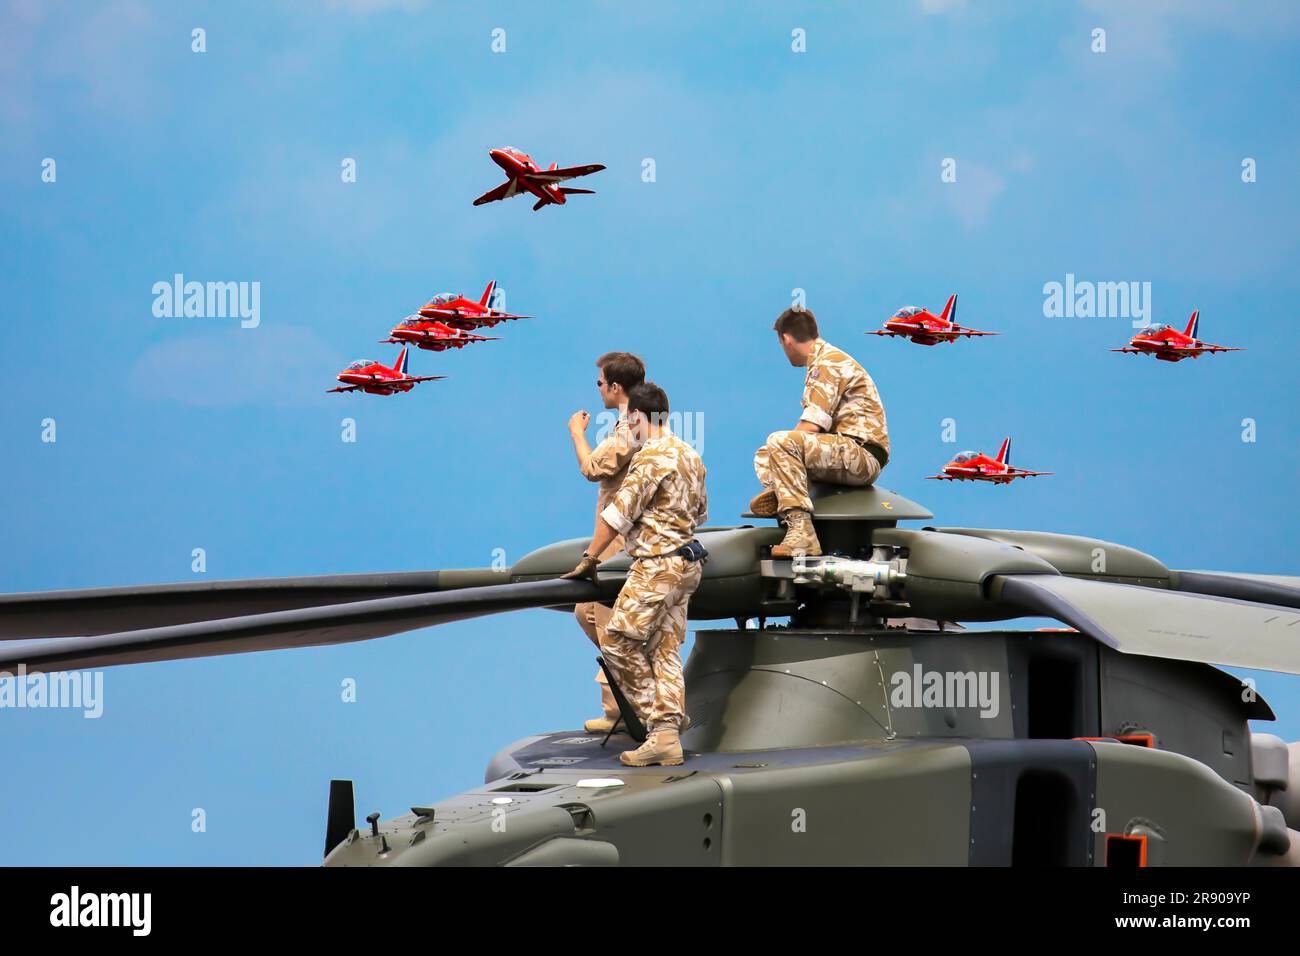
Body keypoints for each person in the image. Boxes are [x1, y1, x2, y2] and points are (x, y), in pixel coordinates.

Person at [562, 382, 708, 767]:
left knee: (618, 640)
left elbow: (617, 516)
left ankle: (661, 727)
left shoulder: (650, 457)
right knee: (664, 649)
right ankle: (670, 726)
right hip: (687, 565)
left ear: (638, 417)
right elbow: (702, 514)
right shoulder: (690, 454)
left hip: (656, 565)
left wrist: (590, 558)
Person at [750, 307, 889, 557]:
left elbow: (812, 427)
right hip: (843, 451)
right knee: (765, 453)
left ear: (786, 339)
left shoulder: (827, 363)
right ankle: (788, 494)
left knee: (779, 443)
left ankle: (800, 529)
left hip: (861, 453)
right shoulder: (825, 359)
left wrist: (784, 448)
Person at [566, 351, 645, 733]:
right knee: (586, 611)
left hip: (621, 535)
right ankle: (618, 699)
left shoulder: (633, 424)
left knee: (610, 617)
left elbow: (593, 467)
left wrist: (577, 434)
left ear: (615, 387)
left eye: (600, 383)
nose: (598, 390)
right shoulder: (627, 422)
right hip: (610, 532)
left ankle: (632, 705)